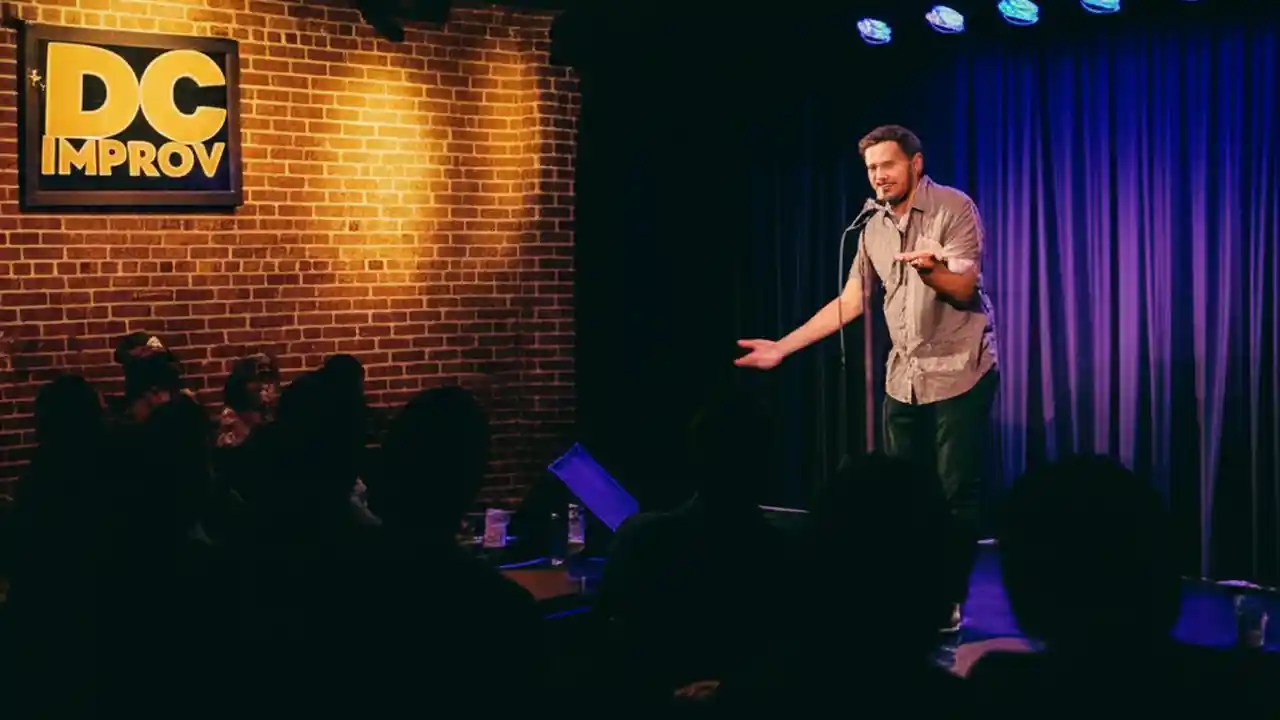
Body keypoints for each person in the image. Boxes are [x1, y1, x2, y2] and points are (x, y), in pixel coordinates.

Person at [735, 124, 998, 629]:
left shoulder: (952, 207)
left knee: (953, 493)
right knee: (901, 493)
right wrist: (781, 350)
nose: (879, 176)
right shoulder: (871, 226)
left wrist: (931, 273)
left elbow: (965, 287)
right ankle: (907, 589)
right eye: (872, 168)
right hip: (905, 376)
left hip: (961, 369)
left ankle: (947, 598)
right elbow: (852, 301)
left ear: (915, 164)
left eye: (888, 165)